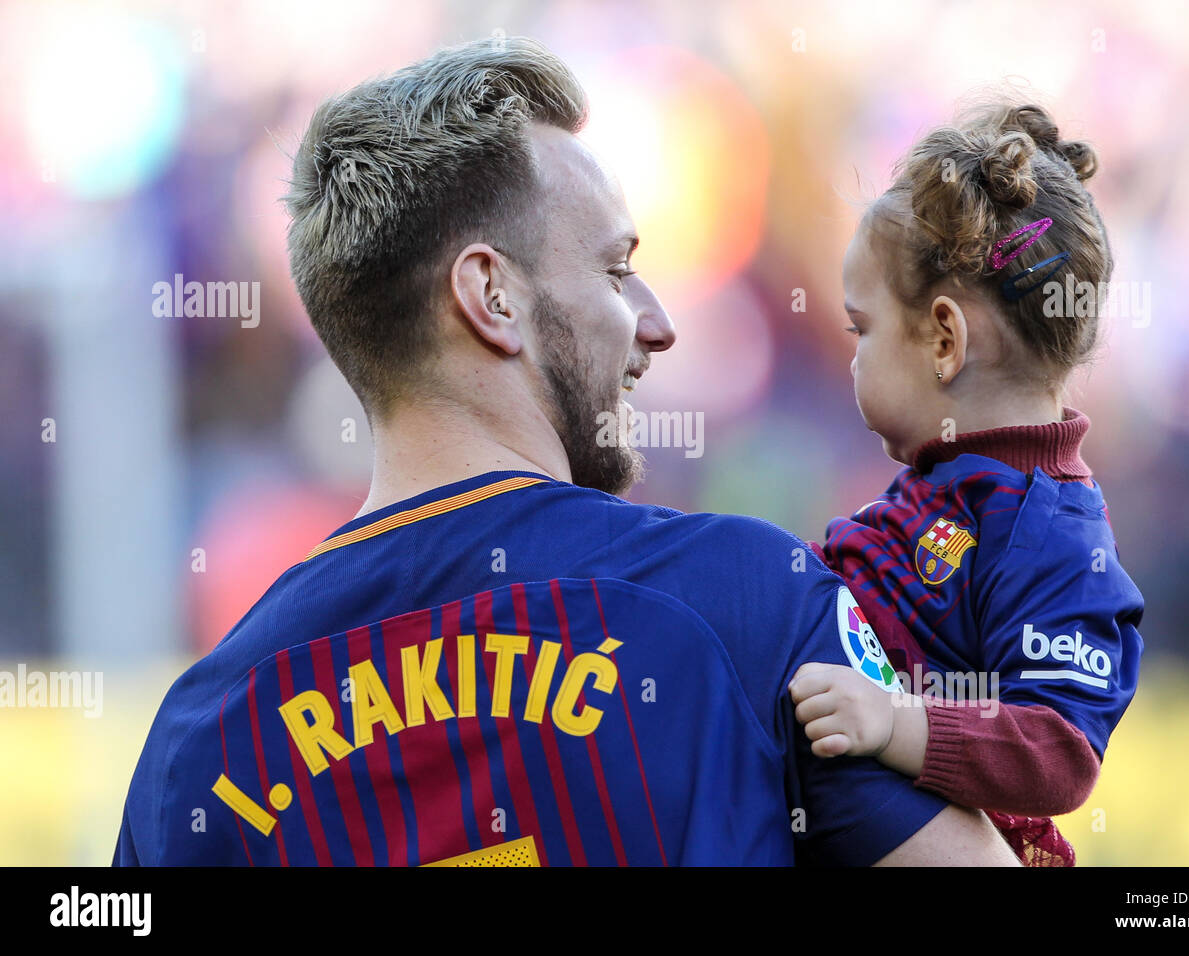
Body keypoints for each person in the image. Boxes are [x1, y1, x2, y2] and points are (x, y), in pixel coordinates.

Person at [112, 37, 1018, 866]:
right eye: (616, 271)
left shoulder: (198, 741)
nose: (657, 324)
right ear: (491, 297)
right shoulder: (742, 599)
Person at [788, 103, 1144, 865]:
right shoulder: (950, 479)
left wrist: (896, 722)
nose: (853, 355)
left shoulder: (1050, 530)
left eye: (861, 329)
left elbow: (1060, 746)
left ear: (945, 339)